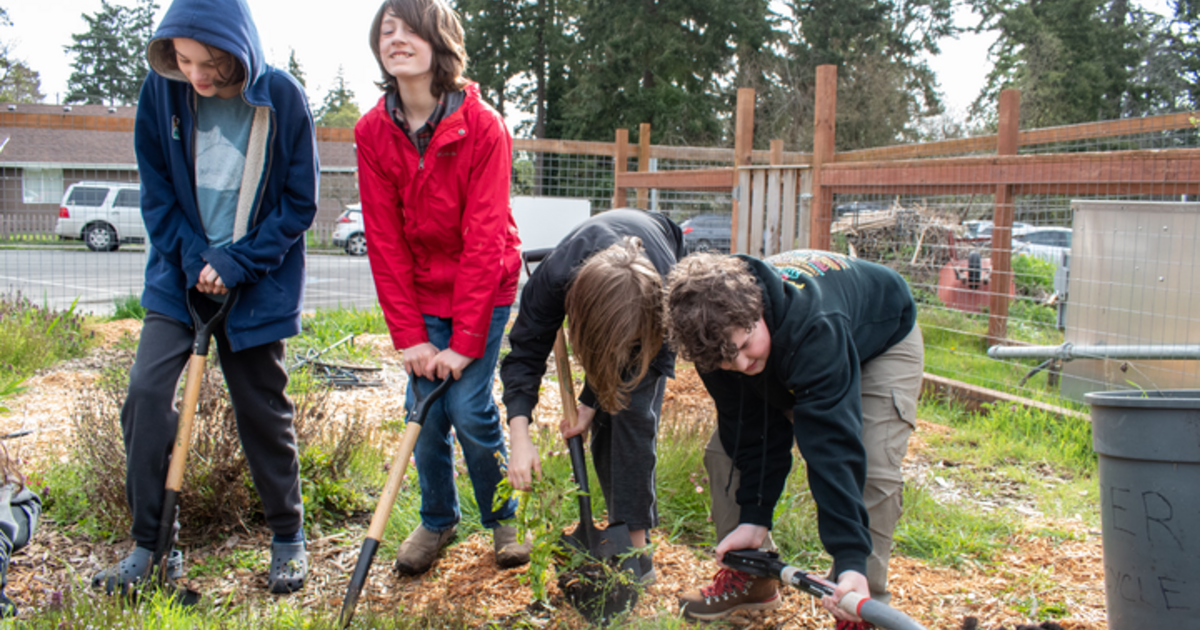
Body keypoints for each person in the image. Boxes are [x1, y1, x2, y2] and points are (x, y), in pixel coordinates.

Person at [91, 0, 319, 596]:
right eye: (184, 60)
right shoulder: (161, 92)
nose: (196, 74)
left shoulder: (283, 98)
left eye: (209, 61)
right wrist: (197, 259)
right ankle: (152, 546)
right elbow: (157, 192)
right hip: (179, 274)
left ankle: (287, 536)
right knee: (144, 393)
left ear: (237, 48)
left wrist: (236, 261)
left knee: (261, 408)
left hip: (257, 281)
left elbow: (299, 204)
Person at [355, 0, 528, 575]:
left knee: (470, 407)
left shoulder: (484, 127)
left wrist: (465, 342)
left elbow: (483, 238)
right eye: (386, 29)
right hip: (423, 294)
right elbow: (383, 242)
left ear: (440, 43)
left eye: (409, 28)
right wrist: (411, 337)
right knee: (425, 413)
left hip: (485, 286)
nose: (395, 38)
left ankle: (503, 516)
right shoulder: (373, 132)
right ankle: (437, 520)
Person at [665, 250, 924, 629]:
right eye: (726, 360)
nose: (741, 366)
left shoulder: (813, 325)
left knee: (874, 467)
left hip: (880, 340)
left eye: (744, 346)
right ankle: (752, 575)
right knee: (725, 452)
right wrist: (755, 515)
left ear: (756, 310)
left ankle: (861, 601)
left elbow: (832, 445)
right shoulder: (716, 343)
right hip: (790, 345)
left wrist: (849, 557)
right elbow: (751, 430)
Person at [500, 208, 686, 582]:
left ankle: (635, 544)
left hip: (658, 258)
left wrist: (592, 399)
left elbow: (638, 386)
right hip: (590, 285)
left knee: (631, 414)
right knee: (604, 421)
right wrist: (520, 436)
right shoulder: (551, 283)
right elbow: (524, 358)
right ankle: (622, 525)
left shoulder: (669, 296)